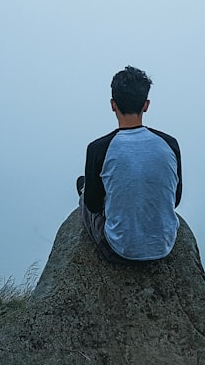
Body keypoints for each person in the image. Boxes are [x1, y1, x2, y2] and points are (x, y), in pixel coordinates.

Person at [77, 66, 182, 263]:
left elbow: (93, 204)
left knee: (84, 194)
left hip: (118, 250)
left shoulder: (98, 149)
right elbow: (174, 199)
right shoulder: (170, 144)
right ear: (146, 105)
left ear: (113, 104)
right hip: (164, 246)